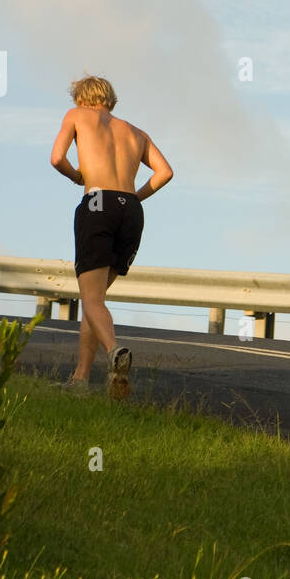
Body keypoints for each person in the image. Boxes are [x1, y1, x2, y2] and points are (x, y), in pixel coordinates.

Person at [48, 75, 173, 399]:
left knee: (90, 299)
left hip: (98, 202)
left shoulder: (76, 116)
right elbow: (165, 172)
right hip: (130, 209)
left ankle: (115, 351)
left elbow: (56, 158)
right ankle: (80, 379)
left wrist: (78, 177)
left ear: (82, 99)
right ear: (110, 98)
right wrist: (133, 198)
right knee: (96, 300)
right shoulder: (135, 132)